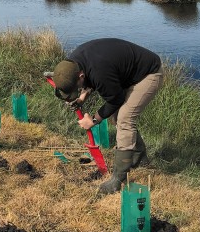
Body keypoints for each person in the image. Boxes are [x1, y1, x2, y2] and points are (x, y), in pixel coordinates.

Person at [51, 38, 163, 194]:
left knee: (125, 119)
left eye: (76, 87)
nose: (77, 90)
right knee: (116, 117)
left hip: (149, 74)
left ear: (80, 75)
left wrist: (93, 120)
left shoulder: (98, 70)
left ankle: (118, 179)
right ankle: (140, 158)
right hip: (127, 75)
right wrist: (82, 98)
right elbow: (90, 78)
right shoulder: (73, 63)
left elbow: (115, 99)